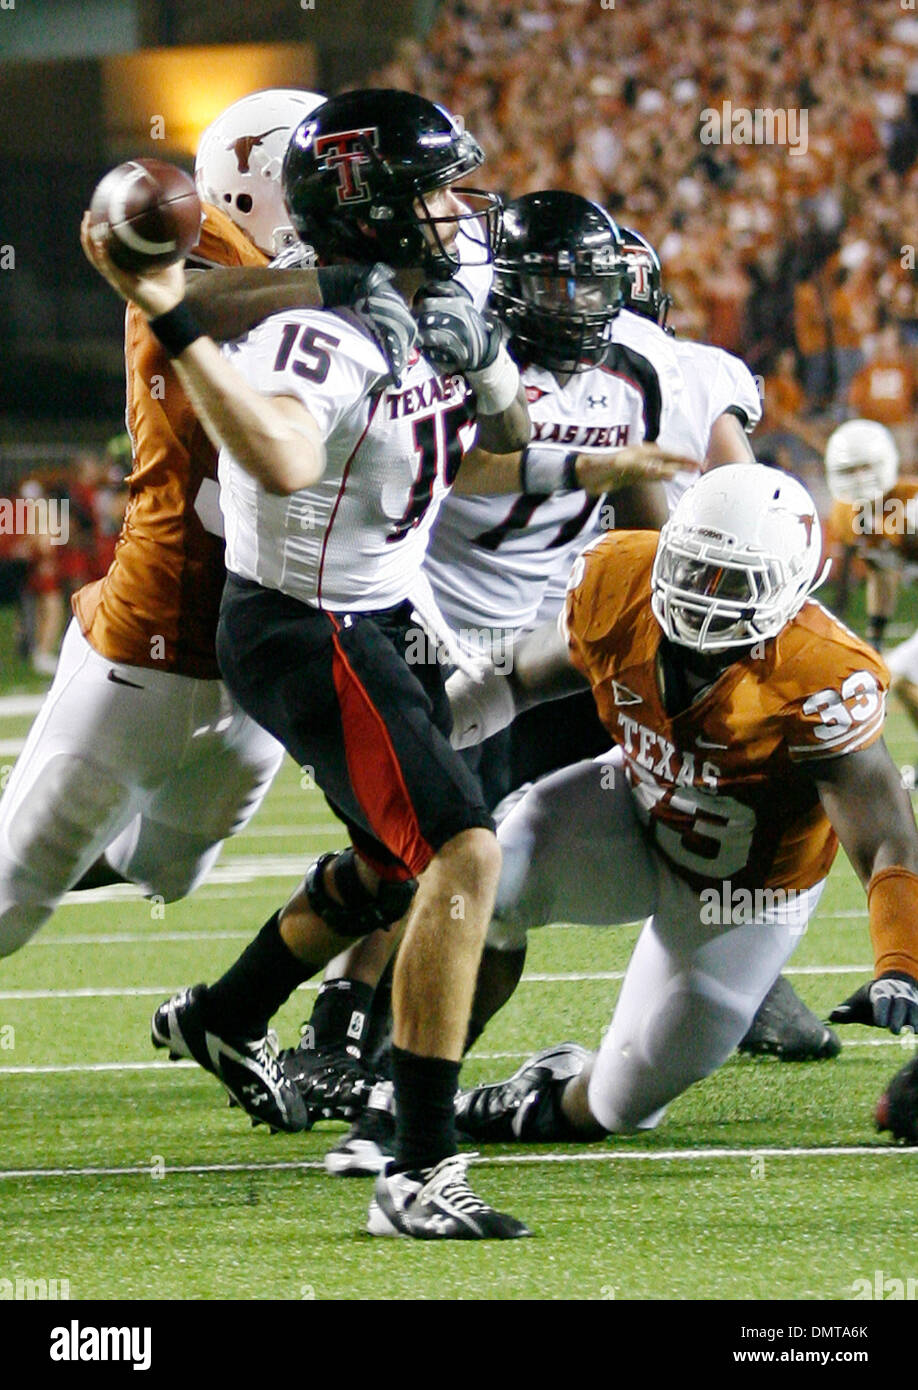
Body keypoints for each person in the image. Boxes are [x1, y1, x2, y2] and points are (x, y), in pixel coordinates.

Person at [85, 87, 534, 1240]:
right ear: (373, 207)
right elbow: (284, 449)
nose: (456, 209)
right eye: (432, 191)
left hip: (379, 610)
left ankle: (224, 1013)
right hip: (308, 622)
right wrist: (179, 325)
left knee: (402, 867)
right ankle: (417, 1169)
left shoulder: (423, 297)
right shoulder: (323, 330)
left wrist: (486, 372)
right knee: (462, 854)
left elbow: (501, 447)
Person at [302, 190, 691, 1177]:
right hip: (442, 630)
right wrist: (579, 469)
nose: (582, 299)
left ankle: (379, 1070)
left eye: (593, 280)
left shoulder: (645, 360)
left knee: (503, 872)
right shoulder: (459, 338)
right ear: (514, 285)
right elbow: (453, 467)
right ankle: (375, 1071)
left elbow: (647, 508)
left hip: (567, 640)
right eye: (559, 279)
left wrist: (684, 597)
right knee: (456, 861)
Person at [446, 464, 918, 1144]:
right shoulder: (621, 579)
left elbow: (885, 837)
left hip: (749, 895)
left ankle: (541, 1095)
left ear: (789, 590)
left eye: (734, 582)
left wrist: (900, 962)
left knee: (616, 1104)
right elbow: (518, 677)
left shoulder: (819, 677)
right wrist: (425, 738)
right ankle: (417, 1084)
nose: (702, 596)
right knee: (489, 878)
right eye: (694, 567)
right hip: (633, 810)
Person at [0, 89, 328, 960]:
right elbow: (180, 295)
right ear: (263, 185)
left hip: (256, 660)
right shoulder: (201, 252)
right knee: (9, 899)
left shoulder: (312, 276)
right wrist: (360, 282)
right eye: (326, 174)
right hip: (153, 636)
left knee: (168, 870)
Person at [824, 418, 918, 756]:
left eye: (866, 468)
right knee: (901, 677)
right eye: (850, 470)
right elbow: (882, 573)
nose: (860, 479)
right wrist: (875, 636)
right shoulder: (847, 515)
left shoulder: (911, 504)